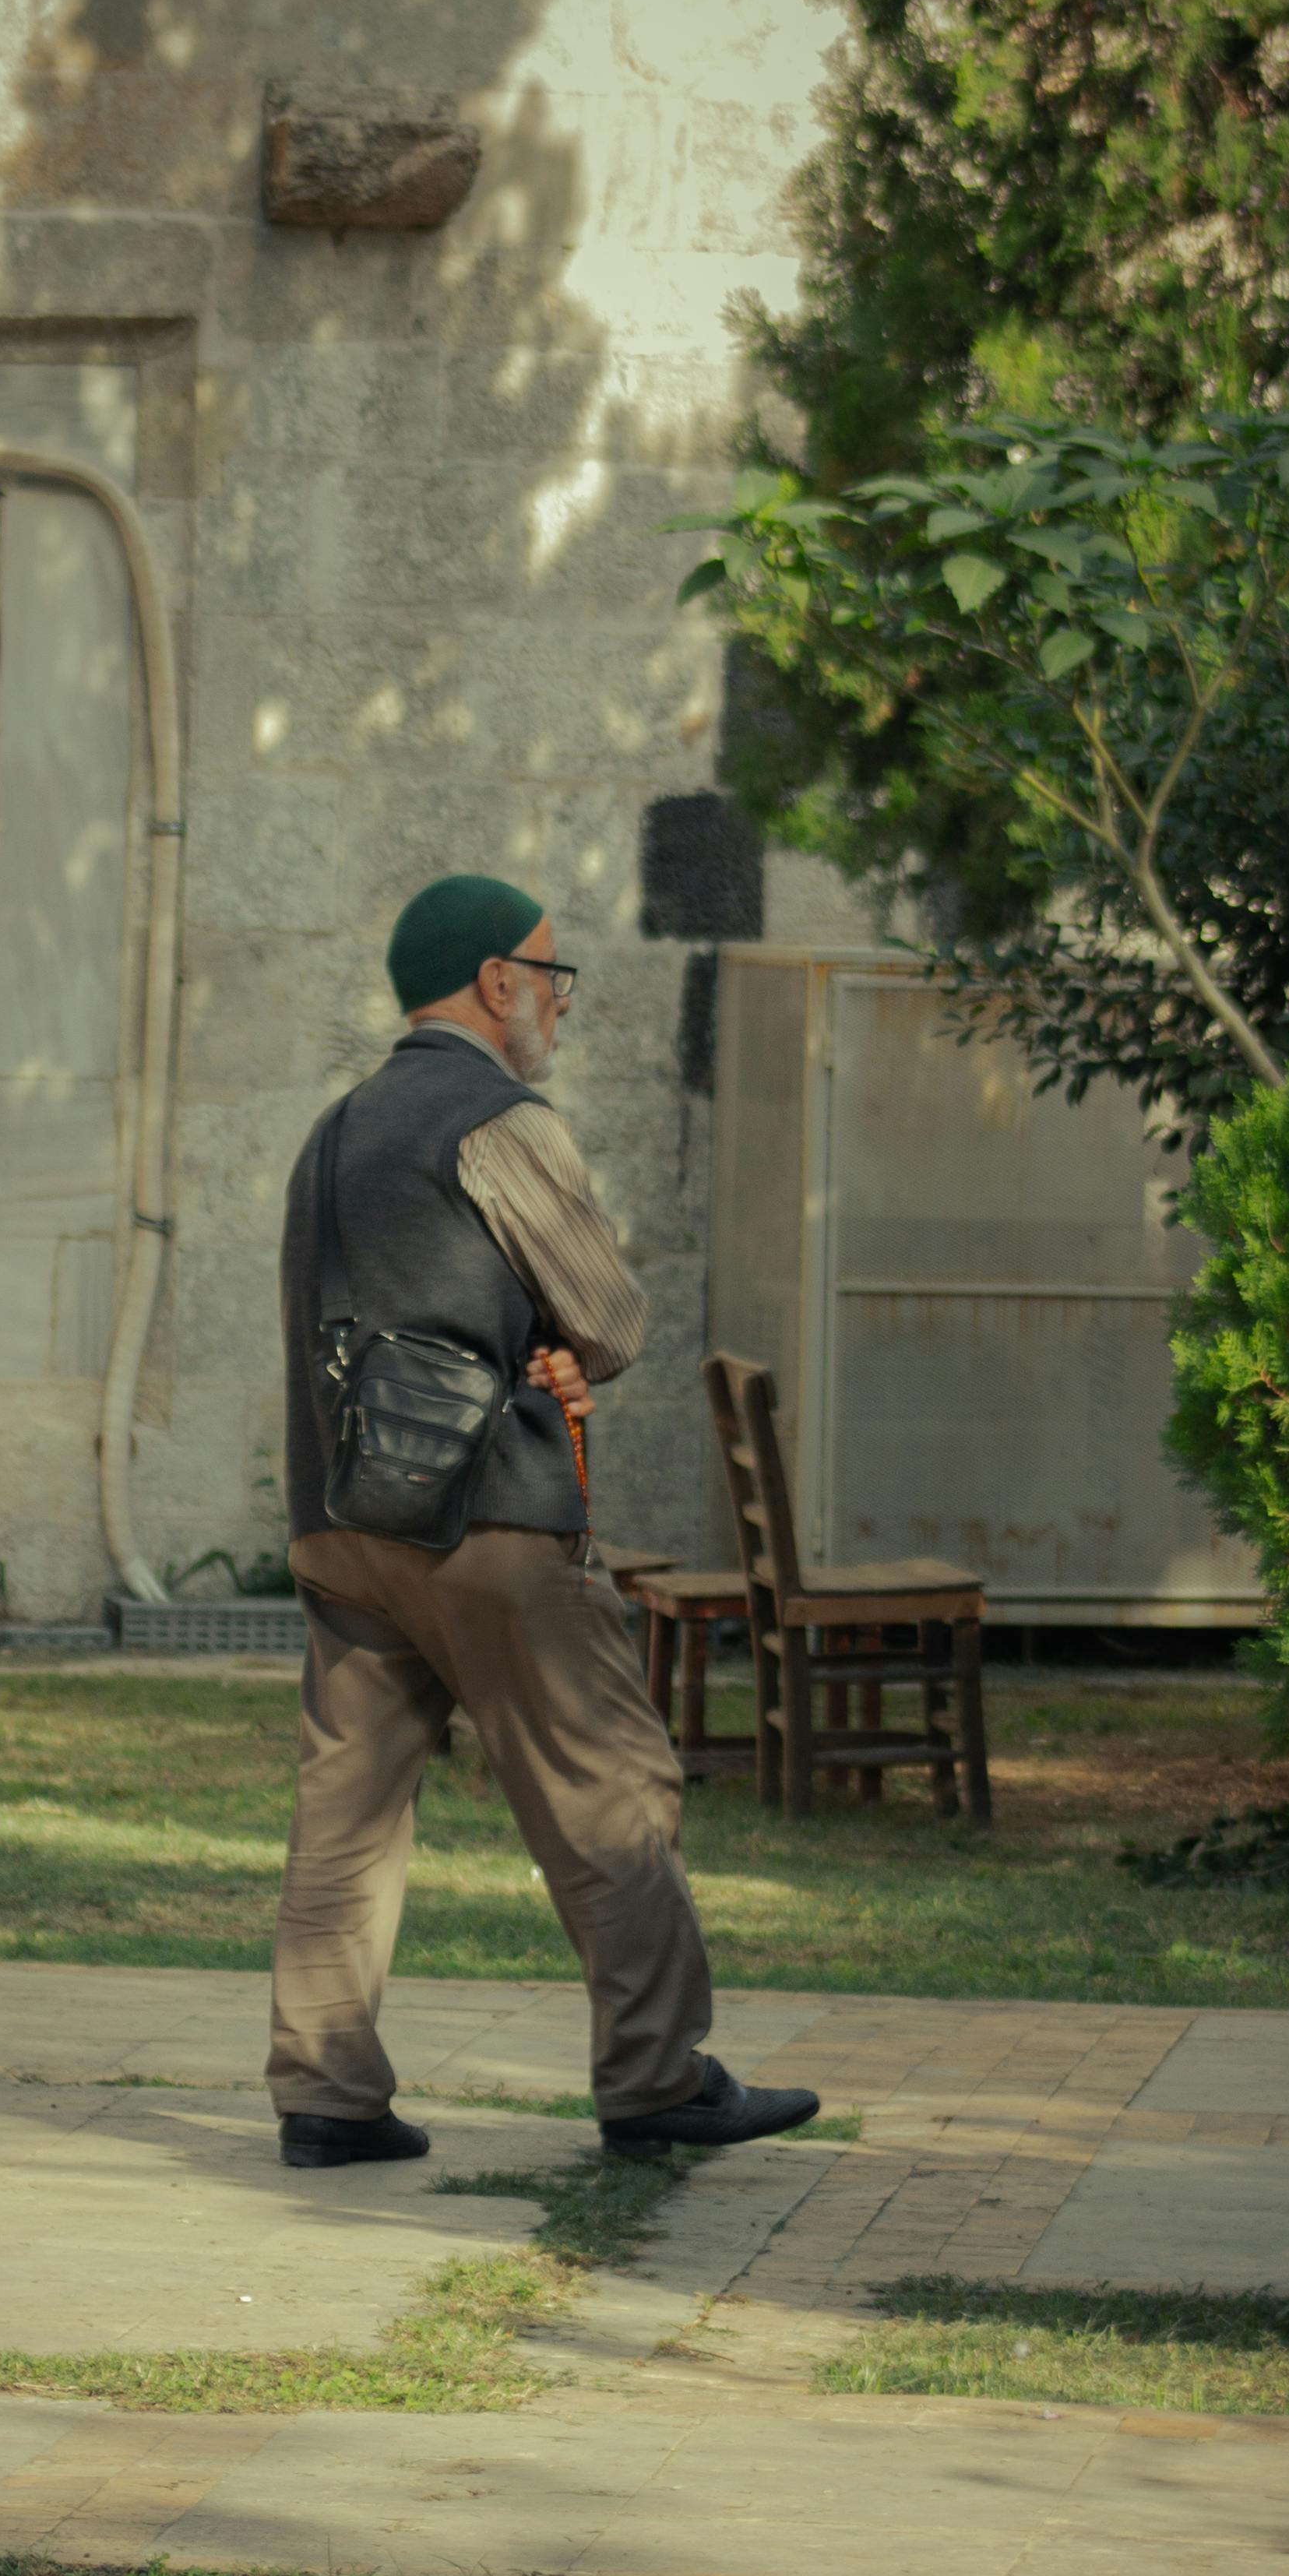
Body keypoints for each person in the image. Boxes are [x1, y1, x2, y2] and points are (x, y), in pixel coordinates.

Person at [265, 869, 821, 2170]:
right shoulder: (501, 1121)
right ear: (497, 984)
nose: (560, 1007)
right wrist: (563, 1349)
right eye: (551, 978)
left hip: (341, 1522)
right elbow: (613, 1319)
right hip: (487, 1521)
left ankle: (325, 2094)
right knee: (609, 1785)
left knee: (350, 1810)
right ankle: (657, 2076)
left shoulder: (332, 1132)